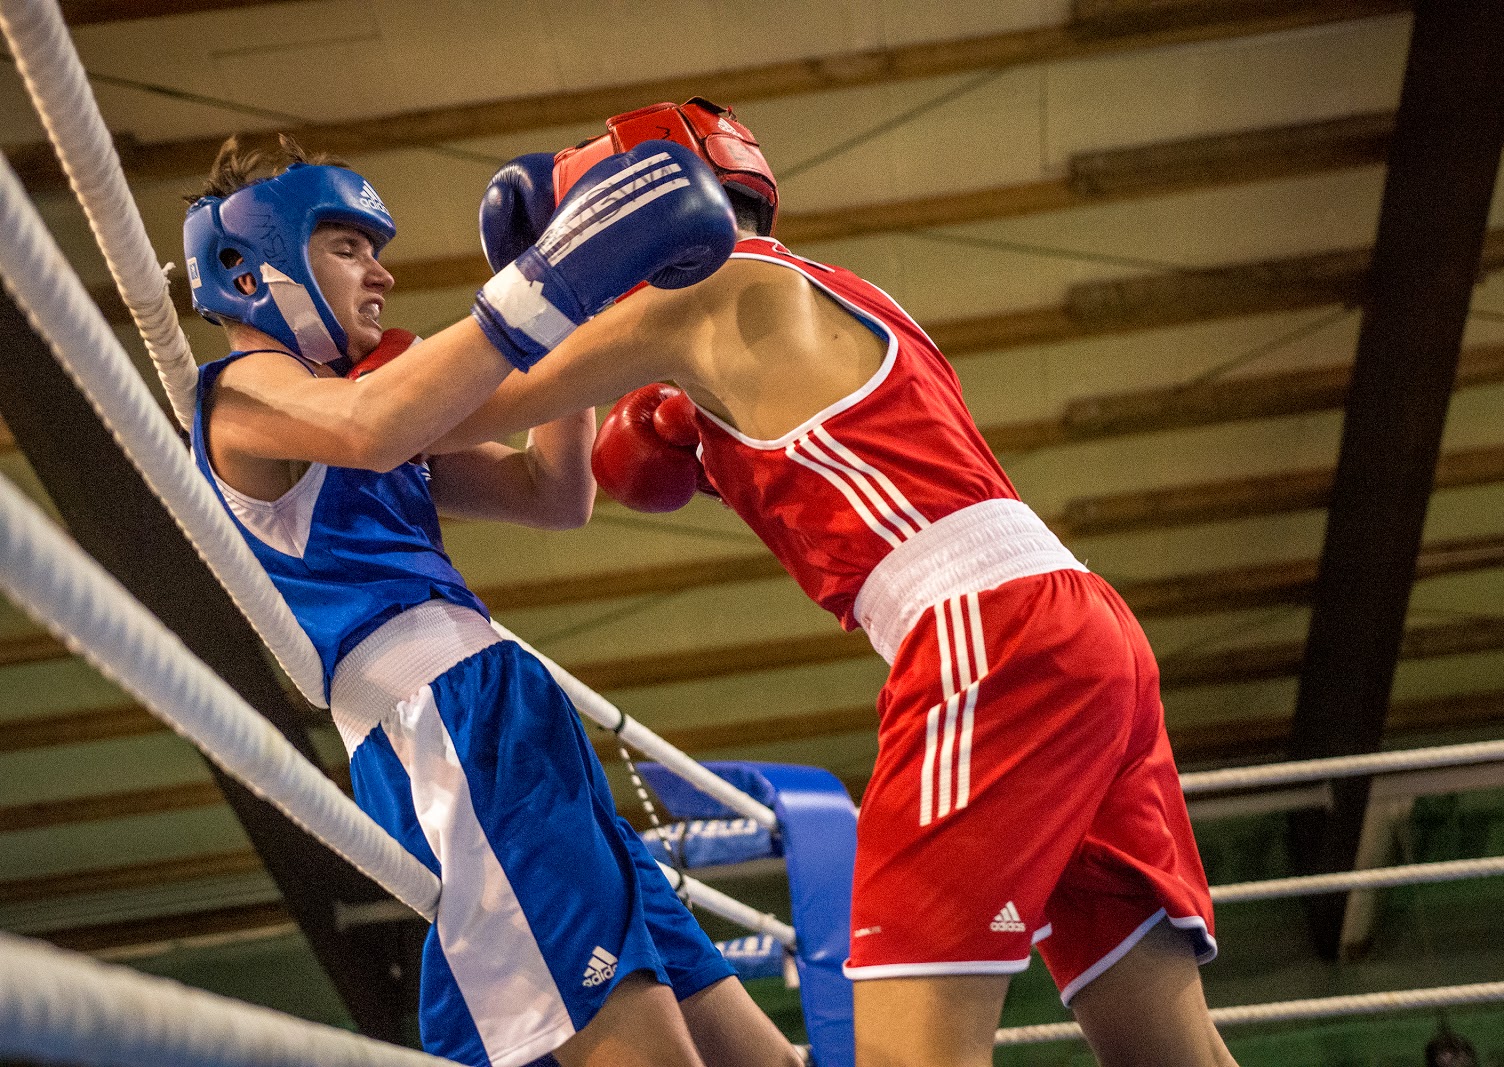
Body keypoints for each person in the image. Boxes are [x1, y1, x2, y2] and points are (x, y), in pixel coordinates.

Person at [433, 100, 1241, 1067]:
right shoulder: (830, 296)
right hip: (1079, 626)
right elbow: (615, 464)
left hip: (984, 638)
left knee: (909, 1057)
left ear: (625, 207)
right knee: (1170, 1054)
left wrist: (520, 285)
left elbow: (443, 408)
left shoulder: (696, 289)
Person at [183, 133, 803, 1067]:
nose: (381, 273)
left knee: (753, 1053)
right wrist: (544, 280)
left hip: (510, 716)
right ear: (250, 264)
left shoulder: (366, 410)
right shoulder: (242, 395)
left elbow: (555, 494)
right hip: (442, 728)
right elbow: (375, 423)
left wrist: (578, 313)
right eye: (347, 247)